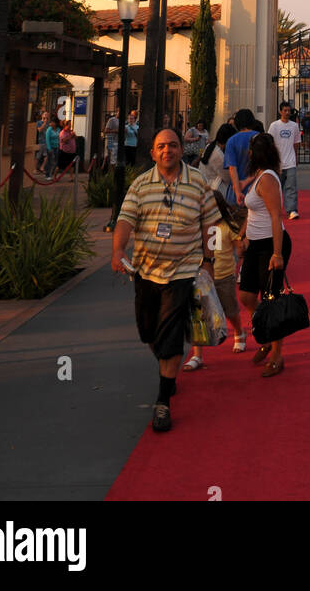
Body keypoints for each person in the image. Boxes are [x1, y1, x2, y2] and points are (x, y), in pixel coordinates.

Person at [111, 125, 218, 432]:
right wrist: (118, 249)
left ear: (181, 149)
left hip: (183, 270)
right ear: (153, 152)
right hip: (146, 271)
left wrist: (210, 260)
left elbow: (211, 225)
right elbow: (125, 219)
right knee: (149, 333)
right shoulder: (141, 185)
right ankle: (167, 372)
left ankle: (162, 400)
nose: (167, 150)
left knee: (170, 334)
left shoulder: (197, 182)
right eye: (161, 146)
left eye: (172, 145)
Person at [237, 132, 293, 378]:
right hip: (254, 244)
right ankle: (267, 334)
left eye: (252, 150)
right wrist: (242, 236)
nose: (248, 154)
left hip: (271, 245)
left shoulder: (268, 178)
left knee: (271, 300)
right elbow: (253, 213)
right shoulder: (259, 174)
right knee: (247, 296)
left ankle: (277, 355)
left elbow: (275, 215)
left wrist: (277, 254)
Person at [184, 191, 248, 368]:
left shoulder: (227, 227)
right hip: (201, 278)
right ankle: (197, 355)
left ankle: (239, 331)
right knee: (198, 315)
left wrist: (242, 246)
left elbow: (238, 249)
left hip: (223, 276)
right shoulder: (197, 228)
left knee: (230, 310)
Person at [269, 102, 302, 220]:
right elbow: (270, 143)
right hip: (278, 163)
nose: (287, 113)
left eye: (289, 111)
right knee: (277, 188)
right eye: (285, 111)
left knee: (291, 187)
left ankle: (292, 210)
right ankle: (275, 209)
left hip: (291, 162)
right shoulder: (274, 126)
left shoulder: (294, 126)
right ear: (280, 112)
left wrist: (296, 157)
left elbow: (296, 143)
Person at [223, 108, 261, 206]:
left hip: (236, 188)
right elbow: (263, 166)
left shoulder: (231, 141)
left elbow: (232, 168)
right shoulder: (260, 138)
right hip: (256, 187)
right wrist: (247, 181)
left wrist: (237, 191)